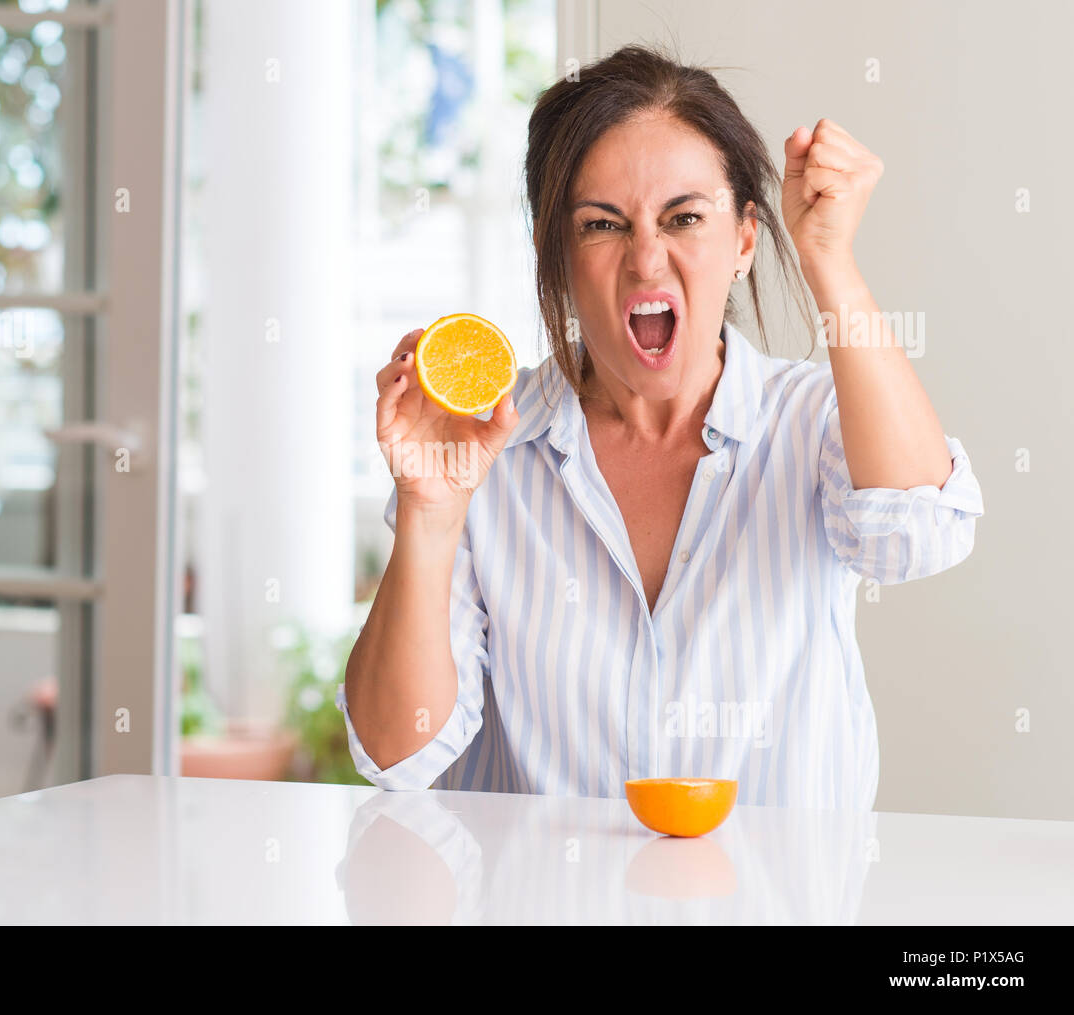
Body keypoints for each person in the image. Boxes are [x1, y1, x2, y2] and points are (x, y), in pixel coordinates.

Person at [337, 44, 983, 809]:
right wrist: (430, 514)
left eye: (684, 218)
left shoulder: (811, 421)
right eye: (602, 224)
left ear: (745, 238)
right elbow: (396, 752)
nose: (647, 261)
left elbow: (915, 538)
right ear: (558, 255)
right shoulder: (483, 447)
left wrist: (831, 260)